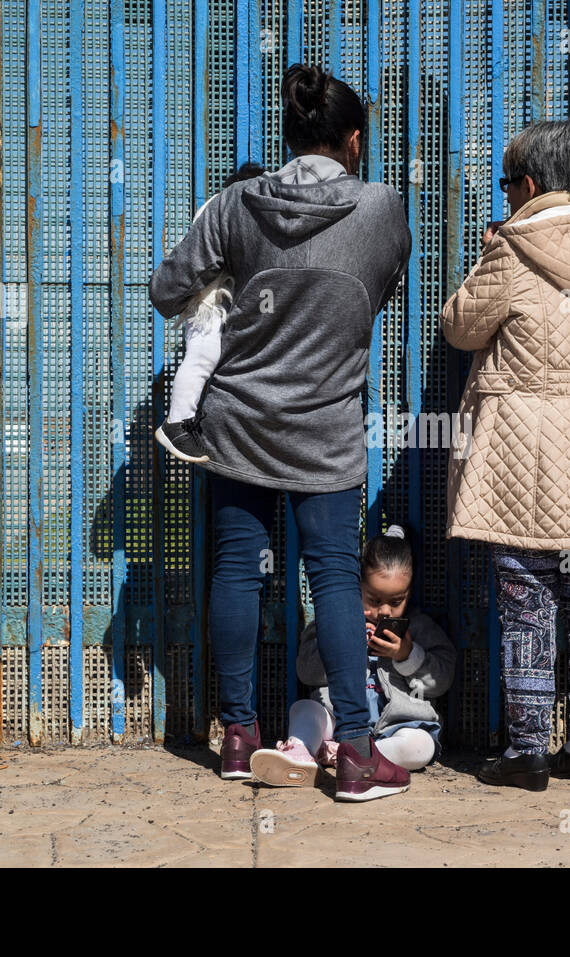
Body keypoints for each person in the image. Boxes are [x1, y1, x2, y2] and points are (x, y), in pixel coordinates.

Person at [148, 64, 412, 802]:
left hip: (238, 420)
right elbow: (378, 291)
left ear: (288, 135)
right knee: (331, 573)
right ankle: (356, 754)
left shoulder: (236, 206)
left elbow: (167, 291)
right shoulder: (381, 207)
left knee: (236, 567)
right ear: (354, 141)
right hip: (325, 426)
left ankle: (238, 736)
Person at [442, 117, 570, 791]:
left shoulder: (515, 248)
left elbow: (460, 326)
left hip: (523, 448)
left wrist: (484, 257)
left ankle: (528, 748)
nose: (506, 197)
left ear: (527, 184)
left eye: (508, 185)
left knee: (526, 593)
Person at [249, 525, 456, 794]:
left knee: (420, 746)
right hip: (336, 720)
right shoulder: (335, 622)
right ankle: (299, 752)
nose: (383, 611)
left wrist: (407, 654)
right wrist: (344, 645)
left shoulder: (418, 627)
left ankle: (358, 756)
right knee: (305, 709)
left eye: (396, 601)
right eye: (373, 599)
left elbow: (441, 680)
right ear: (357, 586)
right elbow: (306, 672)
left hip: (399, 727)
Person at [155, 161, 267, 465]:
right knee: (204, 354)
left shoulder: (222, 206)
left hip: (220, 299)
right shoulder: (220, 208)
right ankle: (177, 422)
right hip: (208, 302)